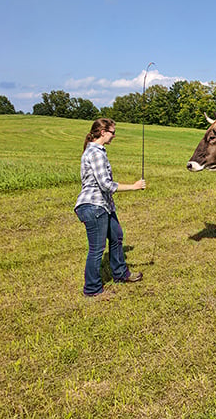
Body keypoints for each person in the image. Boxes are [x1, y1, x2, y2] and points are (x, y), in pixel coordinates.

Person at [75, 118, 146, 298]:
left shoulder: (95, 150)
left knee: (116, 236)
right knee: (96, 249)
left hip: (103, 206)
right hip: (94, 206)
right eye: (112, 132)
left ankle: (120, 273)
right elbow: (106, 185)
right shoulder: (96, 153)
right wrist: (134, 186)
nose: (114, 136)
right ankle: (92, 289)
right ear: (102, 132)